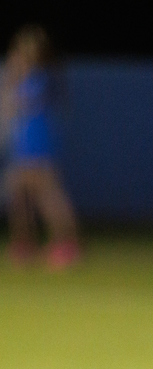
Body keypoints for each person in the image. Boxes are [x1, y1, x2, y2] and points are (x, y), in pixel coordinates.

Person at [1, 23, 80, 270]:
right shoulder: (24, 77)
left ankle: (67, 245)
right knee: (18, 194)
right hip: (23, 142)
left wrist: (14, 75)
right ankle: (26, 244)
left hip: (37, 142)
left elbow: (21, 102)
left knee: (48, 194)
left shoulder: (41, 77)